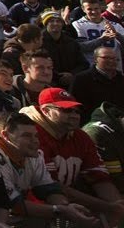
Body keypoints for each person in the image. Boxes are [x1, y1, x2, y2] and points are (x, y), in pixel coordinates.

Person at [19, 87, 124, 222]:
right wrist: (107, 207)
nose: (75, 115)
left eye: (77, 111)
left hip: (65, 203)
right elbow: (50, 185)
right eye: (67, 110)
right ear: (46, 111)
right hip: (28, 206)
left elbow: (98, 177)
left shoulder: (80, 137)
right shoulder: (33, 136)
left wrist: (117, 206)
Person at [0, 111, 96, 226]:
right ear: (6, 136)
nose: (35, 141)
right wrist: (60, 210)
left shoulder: (30, 152)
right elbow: (13, 205)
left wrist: (66, 206)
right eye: (27, 135)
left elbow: (48, 188)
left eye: (36, 135)